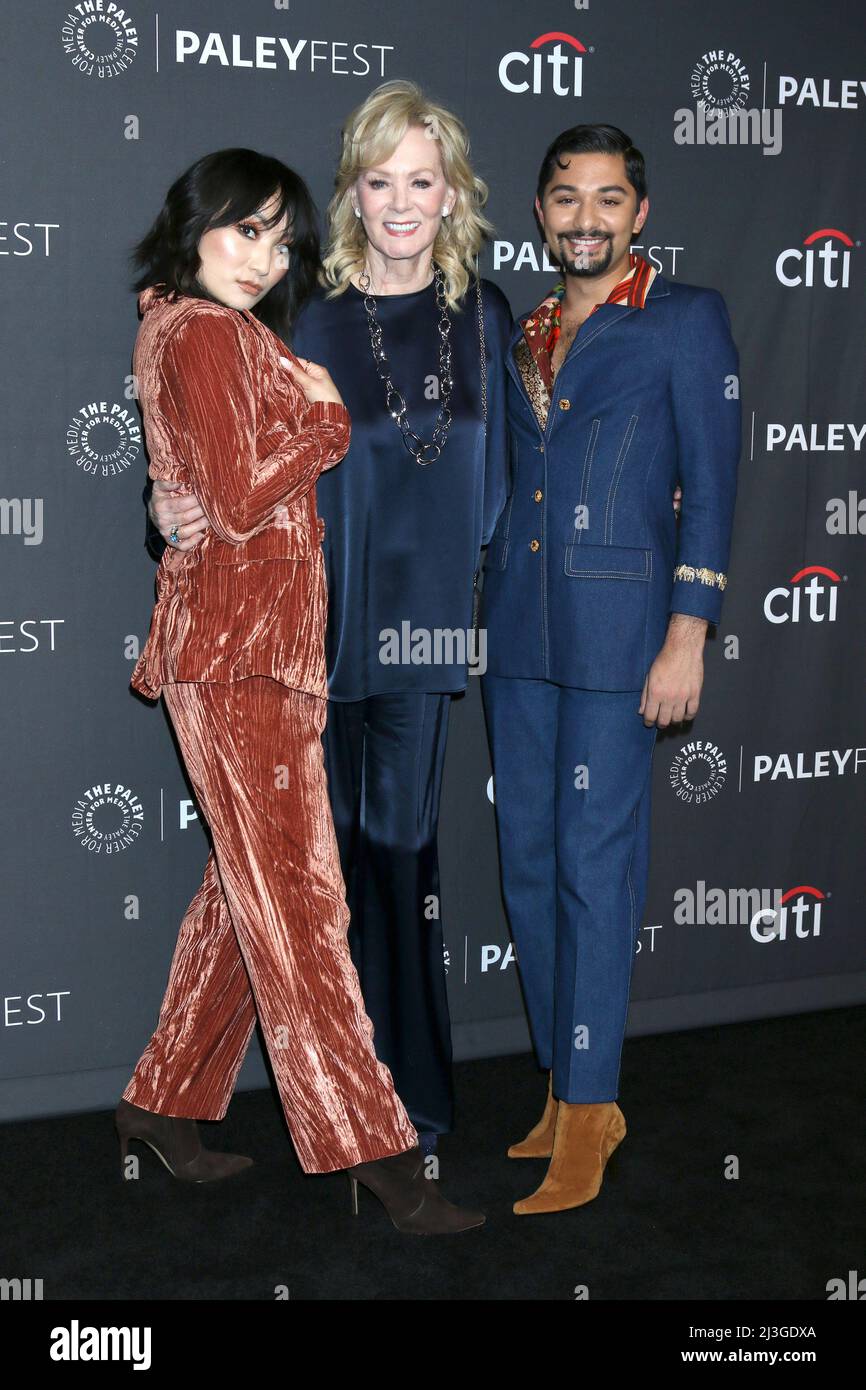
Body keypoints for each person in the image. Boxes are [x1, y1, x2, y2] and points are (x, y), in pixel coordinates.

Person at [120, 146, 484, 1235]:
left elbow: (205, 482)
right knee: (304, 909)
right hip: (239, 655)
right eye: (244, 230)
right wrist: (324, 419)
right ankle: (378, 1157)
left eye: (279, 240)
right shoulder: (203, 330)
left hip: (251, 646)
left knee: (247, 896)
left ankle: (160, 1103)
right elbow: (234, 495)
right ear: (194, 228)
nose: (263, 256)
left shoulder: (193, 328)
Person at [479, 124, 740, 1215]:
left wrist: (688, 630)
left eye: (607, 198)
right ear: (539, 215)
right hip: (518, 637)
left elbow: (713, 486)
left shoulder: (683, 322)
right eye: (563, 198)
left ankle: (590, 1107)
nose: (584, 216)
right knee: (530, 866)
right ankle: (559, 1081)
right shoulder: (519, 327)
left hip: (620, 635)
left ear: (638, 213)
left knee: (594, 868)